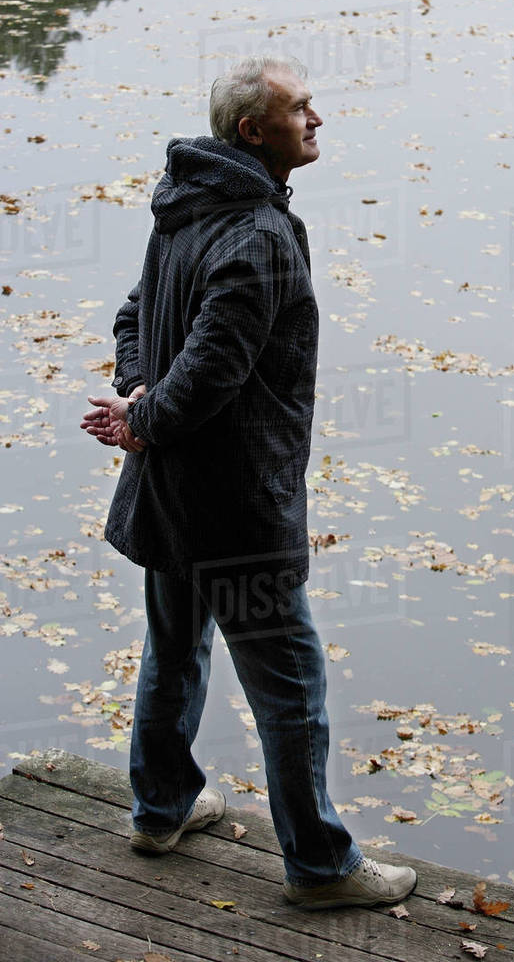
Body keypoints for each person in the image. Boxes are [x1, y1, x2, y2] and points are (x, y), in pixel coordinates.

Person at [80, 56, 416, 910]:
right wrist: (144, 410)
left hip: (166, 493)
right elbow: (213, 370)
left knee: (173, 652)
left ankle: (160, 810)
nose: (318, 118)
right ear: (251, 132)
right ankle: (320, 868)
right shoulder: (259, 232)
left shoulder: (183, 207)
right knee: (291, 686)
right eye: (301, 109)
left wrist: (134, 397)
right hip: (234, 507)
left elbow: (137, 321)